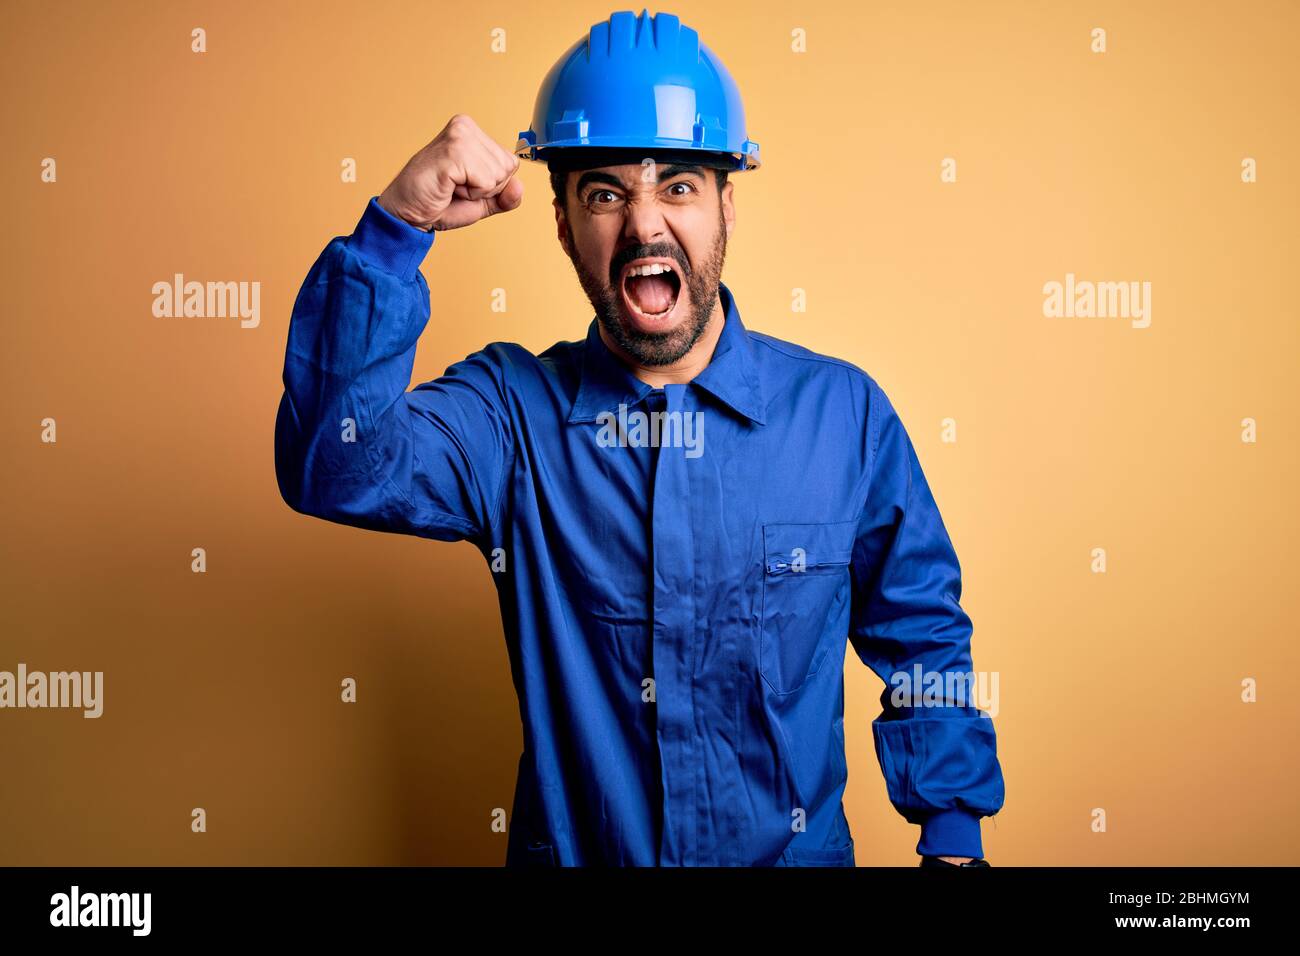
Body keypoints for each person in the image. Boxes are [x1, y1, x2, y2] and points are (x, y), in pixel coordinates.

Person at [274, 9, 1004, 867]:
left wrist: (952, 839)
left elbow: (922, 632)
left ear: (728, 205)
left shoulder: (842, 416)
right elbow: (336, 464)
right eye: (607, 192)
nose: (645, 226)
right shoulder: (511, 416)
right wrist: (396, 230)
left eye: (680, 187)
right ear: (561, 223)